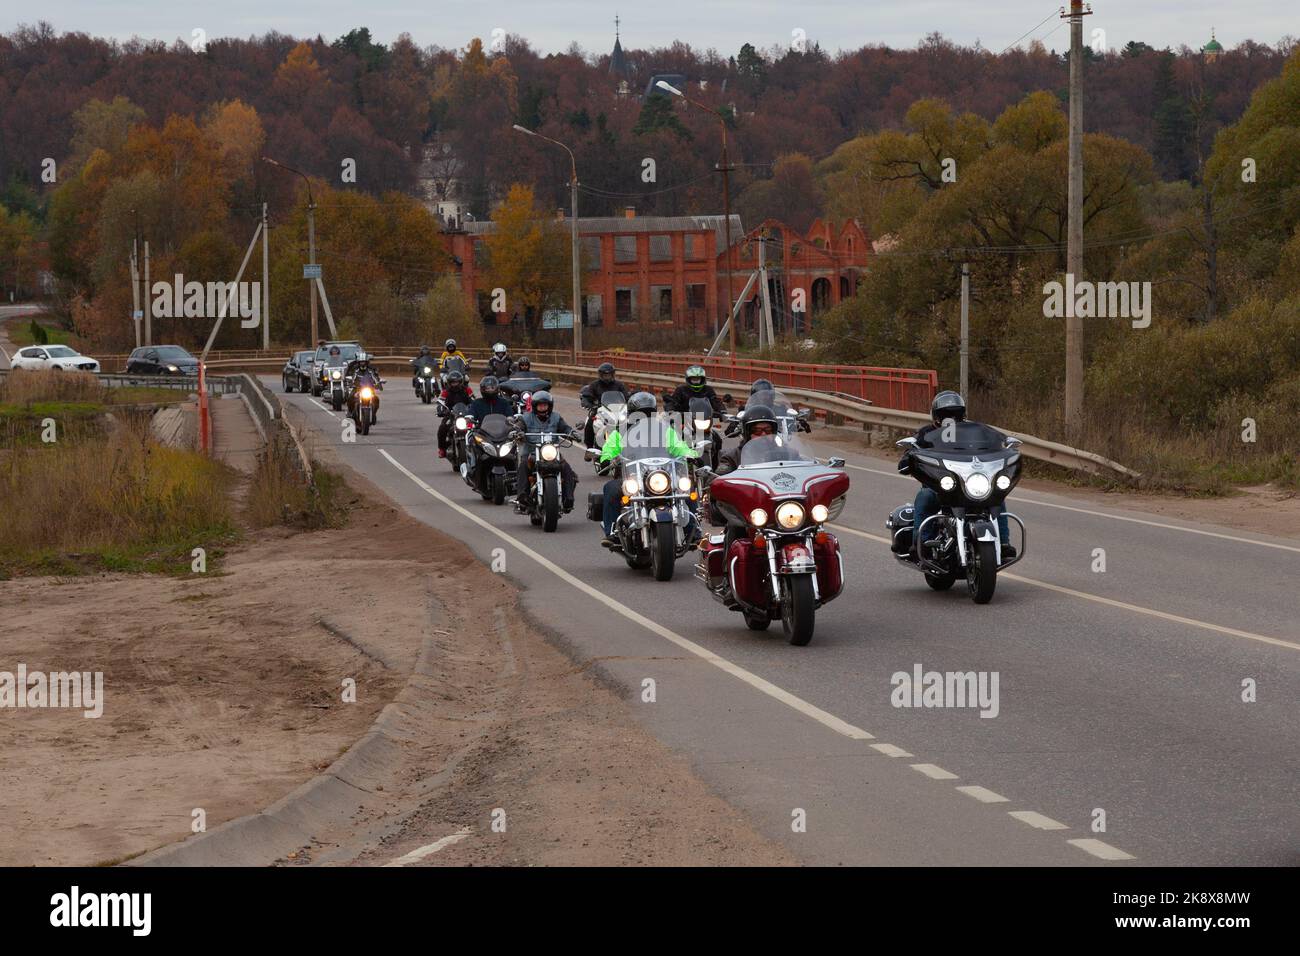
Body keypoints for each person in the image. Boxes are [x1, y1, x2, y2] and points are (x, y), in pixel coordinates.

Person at [900, 390, 1015, 559]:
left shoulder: (973, 431)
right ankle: (920, 544)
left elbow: (994, 442)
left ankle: (1004, 543)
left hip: (968, 484)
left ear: (962, 414)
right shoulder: (925, 434)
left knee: (998, 497)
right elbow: (910, 453)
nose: (950, 419)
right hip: (939, 486)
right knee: (924, 497)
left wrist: (1005, 446)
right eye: (945, 414)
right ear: (936, 416)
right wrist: (908, 460)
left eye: (955, 414)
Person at [596, 391, 697, 548]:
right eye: (640, 413)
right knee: (611, 488)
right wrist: (608, 458)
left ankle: (693, 530)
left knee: (686, 487)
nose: (644, 417)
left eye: (648, 413)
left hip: (661, 475)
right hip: (632, 477)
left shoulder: (664, 430)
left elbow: (678, 446)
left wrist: (689, 455)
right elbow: (609, 449)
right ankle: (612, 531)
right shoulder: (621, 431)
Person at [514, 390, 579, 513]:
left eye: (545, 405)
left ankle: (568, 499)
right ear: (534, 406)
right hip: (531, 453)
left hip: (551, 453)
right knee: (523, 467)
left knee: (567, 469)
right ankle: (522, 497)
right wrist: (517, 432)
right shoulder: (526, 418)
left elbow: (565, 428)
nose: (543, 408)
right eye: (540, 405)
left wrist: (572, 433)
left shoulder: (556, 417)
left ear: (550, 406)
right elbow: (518, 426)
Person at [579, 362, 629, 447]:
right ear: (601, 375)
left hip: (617, 411)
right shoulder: (594, 385)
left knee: (630, 422)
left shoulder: (619, 385)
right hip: (600, 411)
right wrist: (587, 403)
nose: (607, 377)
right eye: (605, 375)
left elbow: (626, 397)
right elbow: (587, 396)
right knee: (590, 423)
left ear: (612, 374)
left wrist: (631, 403)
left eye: (609, 375)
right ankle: (589, 448)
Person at [436, 369, 474, 458]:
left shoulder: (467, 390)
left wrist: (473, 408)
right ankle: (442, 449)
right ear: (449, 383)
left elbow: (473, 400)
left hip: (466, 414)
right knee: (442, 428)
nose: (455, 384)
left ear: (461, 382)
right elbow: (440, 402)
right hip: (451, 414)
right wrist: (441, 410)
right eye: (453, 382)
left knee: (477, 428)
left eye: (457, 382)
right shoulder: (446, 392)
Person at [345, 352, 383, 420]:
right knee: (350, 397)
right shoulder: (355, 369)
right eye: (361, 362)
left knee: (376, 399)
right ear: (358, 362)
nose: (362, 363)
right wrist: (351, 383)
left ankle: (374, 414)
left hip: (369, 388)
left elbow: (375, 377)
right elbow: (353, 378)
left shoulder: (371, 370)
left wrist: (378, 383)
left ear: (367, 362)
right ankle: (350, 412)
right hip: (358, 388)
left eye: (364, 362)